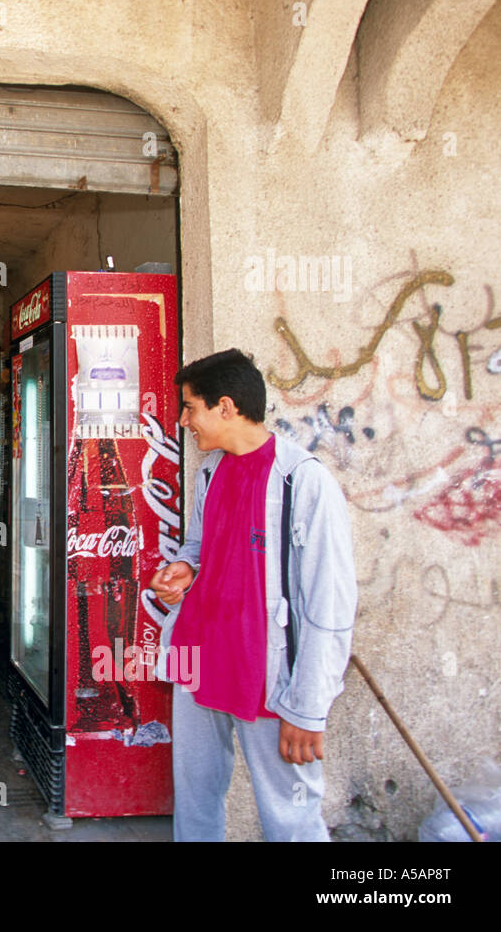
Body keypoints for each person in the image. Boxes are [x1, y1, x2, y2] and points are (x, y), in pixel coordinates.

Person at [149, 348, 356, 841]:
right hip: (198, 662)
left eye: (189, 407)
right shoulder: (211, 471)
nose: (182, 421)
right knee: (196, 801)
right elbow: (200, 545)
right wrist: (183, 566)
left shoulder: (303, 481)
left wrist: (308, 707)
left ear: (226, 407)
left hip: (269, 679)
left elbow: (330, 603)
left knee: (291, 816)